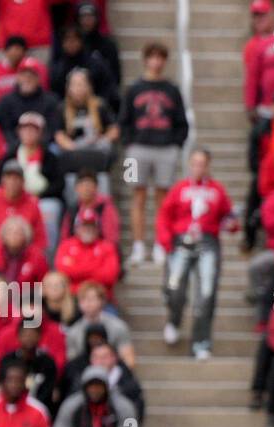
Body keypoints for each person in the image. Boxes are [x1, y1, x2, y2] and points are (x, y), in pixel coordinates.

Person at [157, 148, 232, 361]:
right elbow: (164, 215)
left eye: (203, 163)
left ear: (208, 166)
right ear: (189, 165)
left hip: (208, 243)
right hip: (180, 241)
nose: (198, 167)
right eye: (195, 163)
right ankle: (174, 319)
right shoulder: (179, 188)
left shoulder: (217, 190)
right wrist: (165, 242)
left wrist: (231, 224)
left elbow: (228, 216)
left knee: (206, 292)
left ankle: (201, 341)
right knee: (173, 287)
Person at [120, 42, 188, 266]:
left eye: (160, 58)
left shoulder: (172, 89)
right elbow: (125, 120)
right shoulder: (134, 88)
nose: (156, 62)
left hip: (165, 148)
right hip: (137, 149)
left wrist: (175, 144)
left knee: (163, 199)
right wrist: (129, 144)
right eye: (152, 57)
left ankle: (161, 244)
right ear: (145, 59)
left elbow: (181, 121)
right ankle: (138, 245)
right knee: (136, 195)